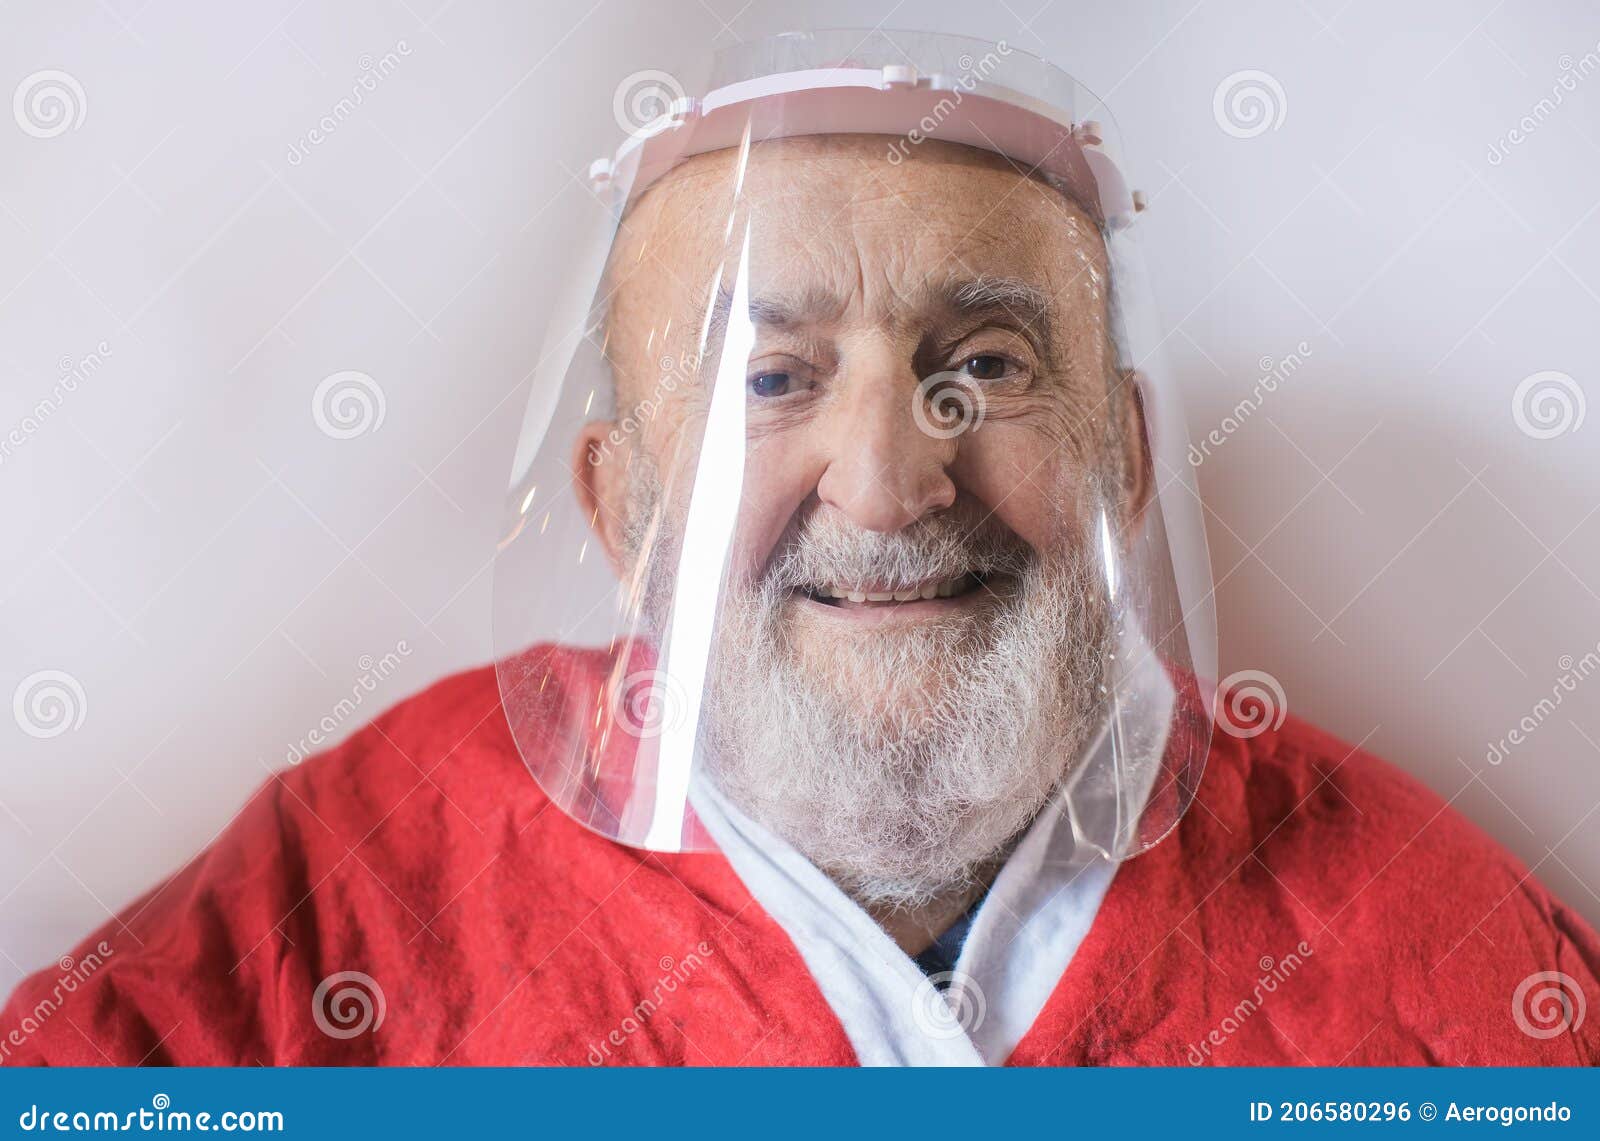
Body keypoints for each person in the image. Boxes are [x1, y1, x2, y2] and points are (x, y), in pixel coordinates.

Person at [4, 30, 1596, 1067]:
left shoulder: (1421, 943)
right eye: (773, 377)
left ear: (1120, 458)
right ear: (623, 512)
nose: (892, 478)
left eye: (985, 363)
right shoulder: (357, 883)